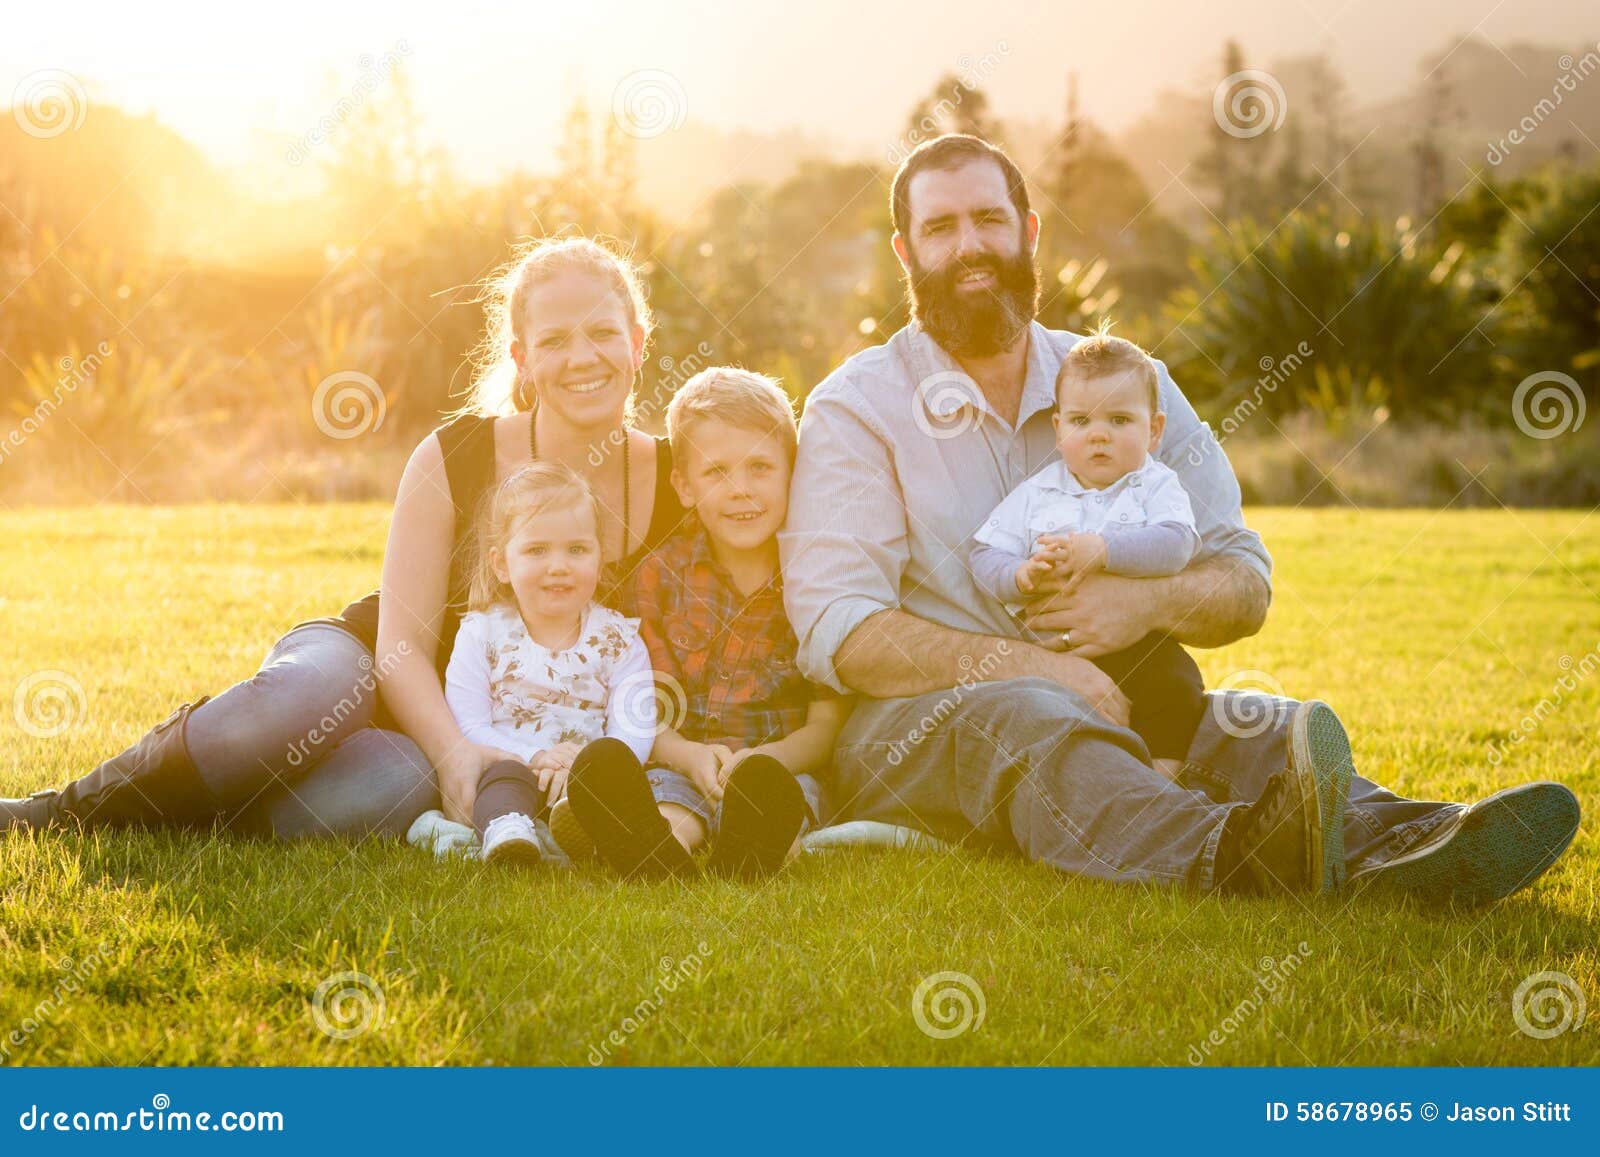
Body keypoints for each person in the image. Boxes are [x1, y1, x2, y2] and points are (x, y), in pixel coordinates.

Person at [779, 133, 1580, 902]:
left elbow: (1243, 579)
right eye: (941, 228)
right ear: (906, 253)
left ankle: (1419, 844)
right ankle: (1230, 855)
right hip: (910, 735)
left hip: (1115, 694)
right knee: (1029, 715)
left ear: (1027, 232)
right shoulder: (858, 407)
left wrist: (1142, 602)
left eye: (988, 219)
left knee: (1251, 722)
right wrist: (1038, 668)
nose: (970, 246)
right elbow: (837, 628)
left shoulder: (1128, 386)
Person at [3, 237, 688, 842]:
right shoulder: (455, 453)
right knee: (307, 697)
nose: (583, 357)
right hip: (370, 666)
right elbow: (399, 645)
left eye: (602, 332)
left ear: (636, 341)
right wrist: (453, 750)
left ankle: (199, 818)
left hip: (463, 741)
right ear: (524, 359)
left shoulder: (678, 482)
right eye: (555, 340)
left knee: (386, 787)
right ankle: (61, 811)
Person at [564, 368, 850, 880]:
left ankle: (755, 850)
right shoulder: (659, 575)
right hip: (682, 760)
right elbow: (639, 703)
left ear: (793, 472)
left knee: (785, 804)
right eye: (718, 472)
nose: (741, 490)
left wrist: (767, 761)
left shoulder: (814, 576)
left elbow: (826, 724)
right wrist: (687, 755)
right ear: (685, 485)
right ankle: (657, 850)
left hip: (782, 768)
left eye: (760, 466)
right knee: (668, 805)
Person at [969, 323, 1204, 780]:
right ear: (1058, 429)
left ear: (1154, 429)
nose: (1099, 435)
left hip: (1140, 642)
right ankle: (1095, 785)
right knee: (1045, 715)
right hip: (1054, 652)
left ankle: (1162, 780)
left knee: (1178, 686)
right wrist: (1020, 574)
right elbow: (984, 554)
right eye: (1081, 421)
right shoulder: (1039, 492)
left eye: (1119, 420)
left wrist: (1103, 549)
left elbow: (1177, 544)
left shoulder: (1153, 484)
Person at [445, 463, 655, 864]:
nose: (558, 565)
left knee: (613, 793)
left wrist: (588, 767)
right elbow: (470, 726)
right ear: (501, 563)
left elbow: (636, 726)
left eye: (576, 550)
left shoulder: (619, 640)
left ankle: (575, 834)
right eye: (536, 550)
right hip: (513, 765)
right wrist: (536, 757)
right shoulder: (481, 634)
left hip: (588, 779)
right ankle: (509, 832)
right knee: (503, 781)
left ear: (599, 556)